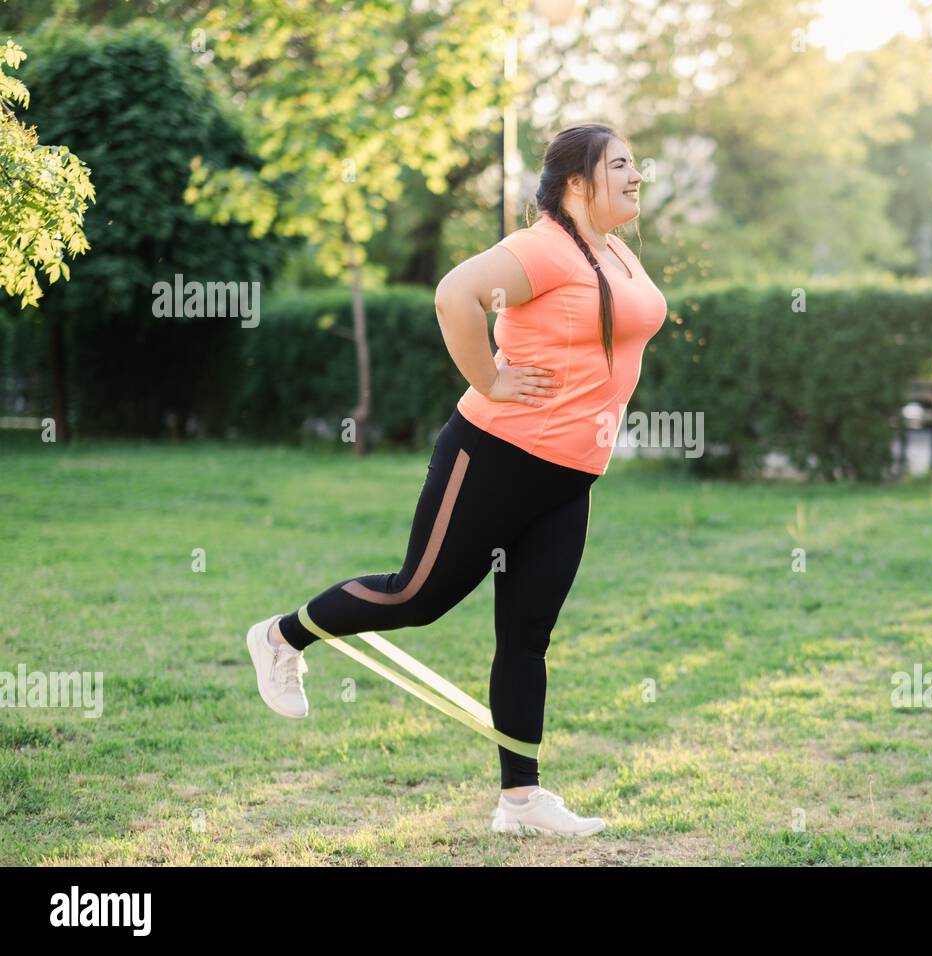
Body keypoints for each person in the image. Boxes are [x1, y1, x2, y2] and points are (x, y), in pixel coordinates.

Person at [245, 123, 666, 838]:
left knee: (527, 633)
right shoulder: (544, 248)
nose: (635, 176)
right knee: (416, 595)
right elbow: (454, 295)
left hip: (569, 476)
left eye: (635, 164)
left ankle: (521, 802)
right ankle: (281, 638)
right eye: (619, 165)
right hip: (497, 455)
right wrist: (491, 378)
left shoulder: (616, 253)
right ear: (575, 183)